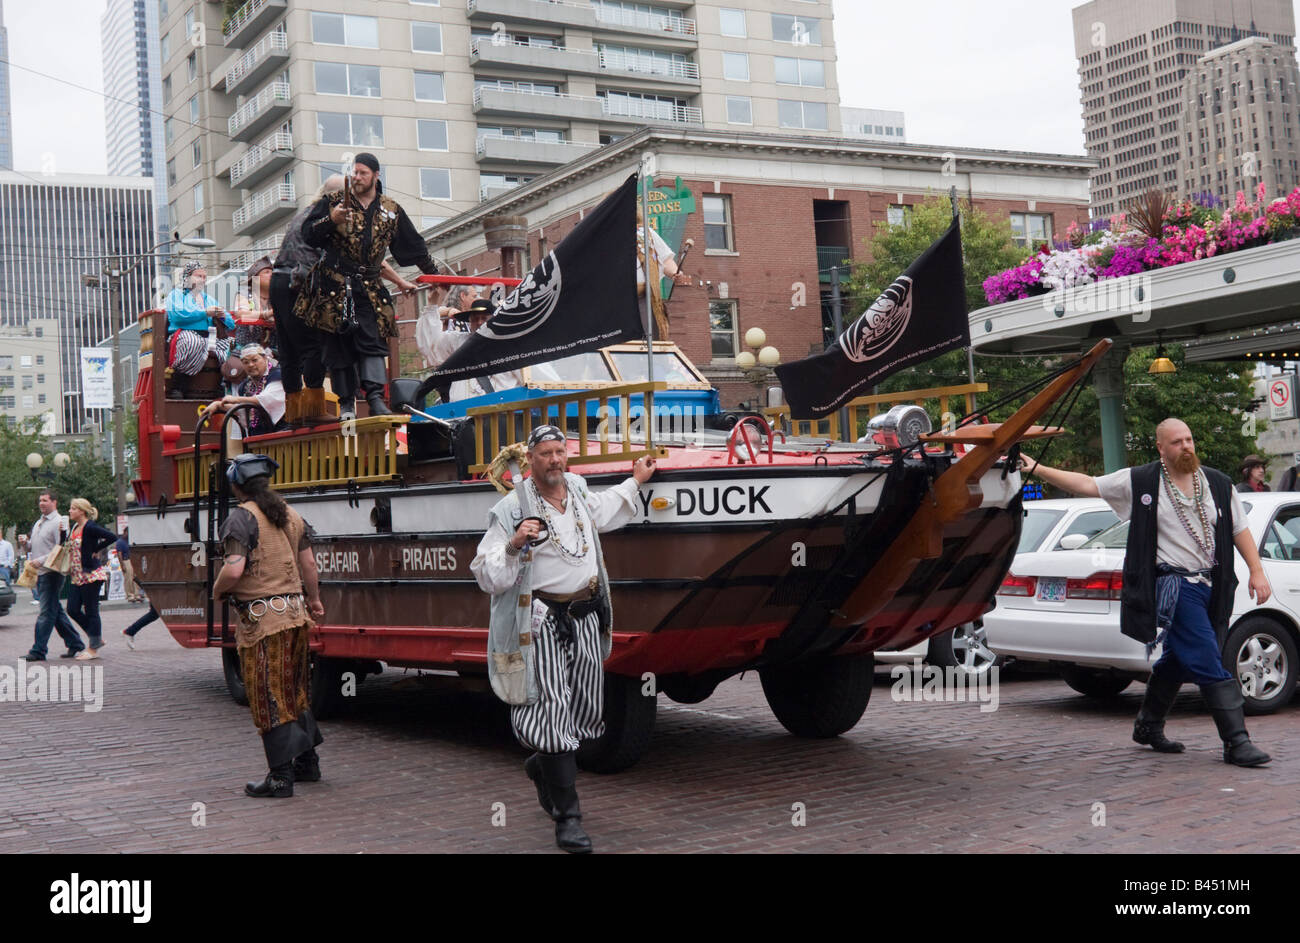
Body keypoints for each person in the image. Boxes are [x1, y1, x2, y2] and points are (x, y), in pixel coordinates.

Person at [1021, 417, 1272, 767]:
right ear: (1161, 447)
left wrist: (1257, 571)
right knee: (1207, 658)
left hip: (1209, 586)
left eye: (1189, 439)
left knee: (1175, 660)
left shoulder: (1217, 483)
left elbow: (1239, 530)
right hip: (1174, 585)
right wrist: (1037, 468)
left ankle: (1148, 725)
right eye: (1177, 442)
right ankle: (1236, 741)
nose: (1186, 446)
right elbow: (1088, 484)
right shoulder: (1141, 480)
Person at [471, 426, 656, 852]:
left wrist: (635, 481)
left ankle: (542, 765)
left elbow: (602, 512)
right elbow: (486, 572)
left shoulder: (576, 487)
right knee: (552, 707)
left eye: (560, 452)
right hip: (542, 623)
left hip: (586, 615)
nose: (554, 460)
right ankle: (568, 817)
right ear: (530, 460)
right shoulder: (511, 507)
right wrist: (516, 543)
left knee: (585, 707)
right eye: (545, 454)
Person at [212, 454, 325, 798]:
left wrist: (216, 591)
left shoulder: (241, 518)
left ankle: (280, 778)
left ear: (236, 485)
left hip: (264, 624)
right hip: (295, 616)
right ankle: (307, 763)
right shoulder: (291, 515)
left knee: (268, 695)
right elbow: (309, 564)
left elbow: (233, 570)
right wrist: (315, 600)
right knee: (296, 691)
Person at [297, 154, 441, 420]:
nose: (357, 177)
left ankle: (375, 397)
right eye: (354, 172)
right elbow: (307, 233)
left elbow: (414, 246)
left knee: (372, 341)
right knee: (338, 346)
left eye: (363, 173)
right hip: (333, 284)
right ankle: (347, 404)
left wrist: (435, 275)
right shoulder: (334, 202)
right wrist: (331, 219)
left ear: (376, 175)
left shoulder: (390, 210)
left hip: (370, 286)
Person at [272, 175, 419, 422]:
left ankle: (295, 413)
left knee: (288, 350)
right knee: (317, 345)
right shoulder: (335, 217)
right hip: (302, 281)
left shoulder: (305, 213)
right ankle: (314, 411)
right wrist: (401, 282)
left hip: (280, 281)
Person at [21, 490, 86, 661]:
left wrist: (41, 561)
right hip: (41, 572)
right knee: (54, 611)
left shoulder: (58, 522)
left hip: (52, 573)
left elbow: (61, 549)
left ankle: (38, 650)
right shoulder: (38, 523)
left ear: (54, 502)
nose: (41, 503)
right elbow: (33, 547)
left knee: (46, 613)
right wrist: (25, 544)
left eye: (45, 500)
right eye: (40, 500)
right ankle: (75, 643)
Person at [421, 298, 523, 402]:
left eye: (484, 318)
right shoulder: (458, 340)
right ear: (469, 322)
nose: (479, 322)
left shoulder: (510, 345)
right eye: (475, 319)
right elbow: (431, 344)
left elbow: (529, 380)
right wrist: (432, 303)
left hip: (500, 413)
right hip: (461, 414)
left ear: (494, 320)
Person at [165, 262, 235, 399]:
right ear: (187, 277)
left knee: (232, 345)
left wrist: (222, 316)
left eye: (204, 277)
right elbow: (178, 316)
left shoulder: (209, 299)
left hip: (210, 337)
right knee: (193, 342)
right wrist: (204, 313)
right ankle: (179, 385)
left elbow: (231, 324)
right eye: (198, 276)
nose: (202, 279)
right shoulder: (176, 295)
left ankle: (222, 384)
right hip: (183, 334)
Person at [65, 498, 117, 660]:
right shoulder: (74, 527)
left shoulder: (90, 527)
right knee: (72, 608)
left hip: (90, 574)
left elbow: (111, 536)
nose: (70, 511)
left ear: (81, 511)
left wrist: (97, 549)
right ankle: (96, 637)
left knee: (91, 610)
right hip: (76, 575)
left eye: (73, 509)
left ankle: (93, 648)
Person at [201, 344, 286, 439]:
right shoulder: (245, 385)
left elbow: (267, 399)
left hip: (281, 437)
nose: (250, 365)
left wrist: (237, 399)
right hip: (257, 438)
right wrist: (218, 405)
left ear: (265, 359)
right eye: (246, 362)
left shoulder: (277, 376)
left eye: (255, 360)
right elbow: (242, 409)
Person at [115, 529, 141, 603]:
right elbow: (119, 554)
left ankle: (137, 594)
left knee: (135, 577)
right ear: (125, 532)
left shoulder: (130, 540)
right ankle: (130, 595)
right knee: (128, 578)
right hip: (126, 560)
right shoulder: (120, 542)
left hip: (133, 560)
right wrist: (122, 564)